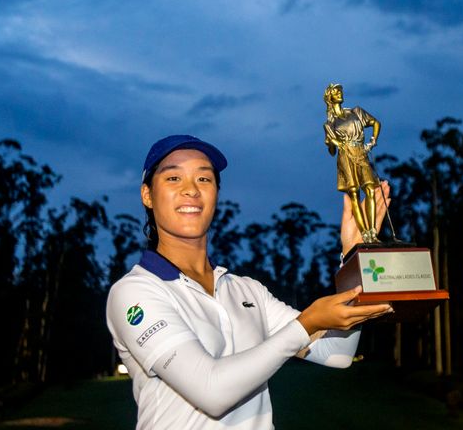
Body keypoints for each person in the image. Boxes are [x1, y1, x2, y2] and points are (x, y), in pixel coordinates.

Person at [106, 134, 393, 429]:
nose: (191, 190)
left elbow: (336, 353)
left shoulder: (246, 290)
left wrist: (353, 258)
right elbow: (211, 391)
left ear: (217, 193)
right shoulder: (135, 292)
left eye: (204, 179)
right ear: (147, 195)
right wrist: (306, 324)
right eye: (174, 178)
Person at [323, 83, 382, 244]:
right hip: (345, 156)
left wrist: (372, 141)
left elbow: (376, 123)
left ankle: (373, 232)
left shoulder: (356, 112)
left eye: (340, 90)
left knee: (369, 189)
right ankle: (365, 235)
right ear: (329, 97)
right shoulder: (329, 124)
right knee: (354, 192)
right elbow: (332, 152)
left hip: (360, 153)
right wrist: (331, 142)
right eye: (335, 91)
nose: (339, 93)